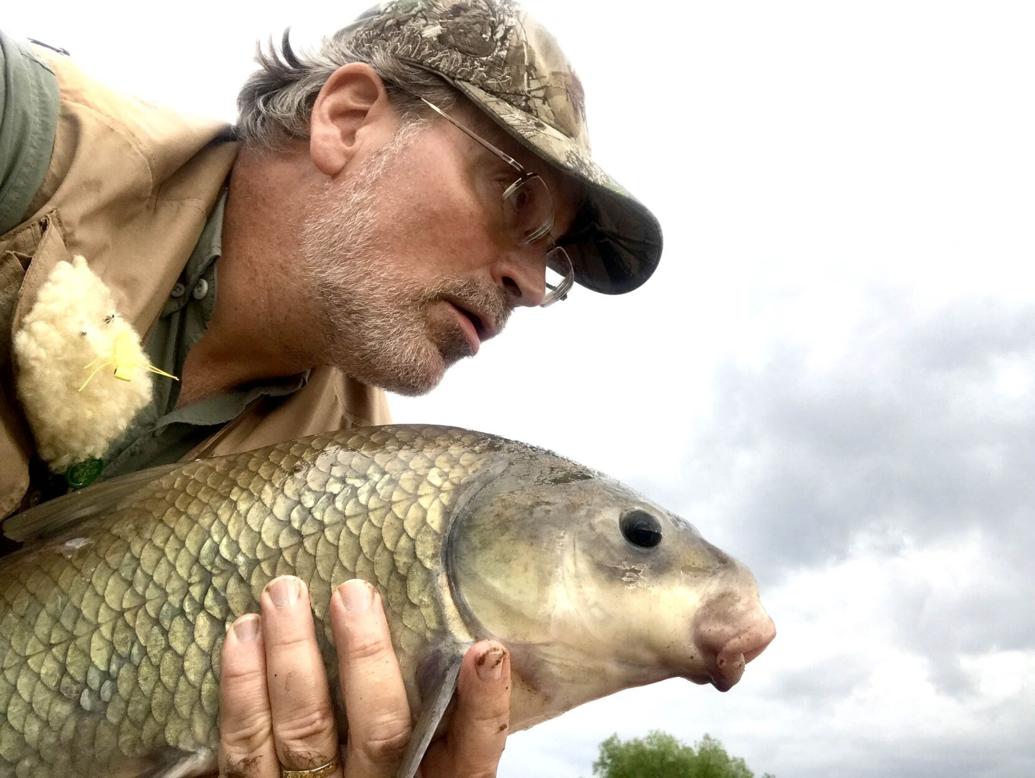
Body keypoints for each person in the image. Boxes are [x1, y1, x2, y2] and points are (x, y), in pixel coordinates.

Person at [0, 1, 662, 775]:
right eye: (518, 198)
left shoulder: (358, 488)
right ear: (346, 121)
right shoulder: (31, 144)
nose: (525, 283)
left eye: (553, 264)